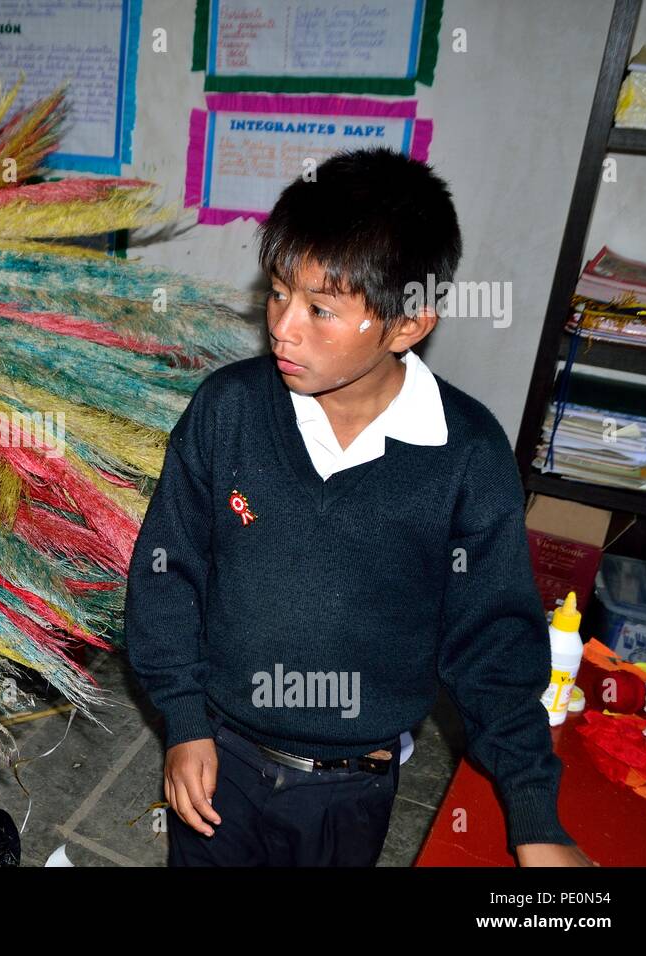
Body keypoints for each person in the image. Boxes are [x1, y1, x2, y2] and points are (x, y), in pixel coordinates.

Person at [125, 148, 594, 867]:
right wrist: (183, 722)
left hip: (353, 787)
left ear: (407, 326)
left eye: (321, 310)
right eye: (278, 292)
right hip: (220, 758)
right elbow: (167, 575)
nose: (283, 326)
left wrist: (537, 820)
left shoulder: (464, 456)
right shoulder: (229, 413)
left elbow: (494, 648)